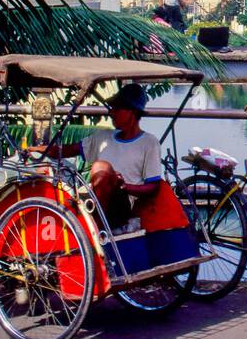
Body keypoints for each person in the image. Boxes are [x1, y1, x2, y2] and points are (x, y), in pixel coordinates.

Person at [29, 83, 163, 230]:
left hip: (124, 204)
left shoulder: (149, 143)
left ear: (131, 112)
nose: (111, 113)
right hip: (94, 198)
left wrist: (126, 187)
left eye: (116, 109)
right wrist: (36, 150)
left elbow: (153, 186)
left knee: (101, 167)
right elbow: (66, 150)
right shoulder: (102, 137)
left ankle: (99, 229)